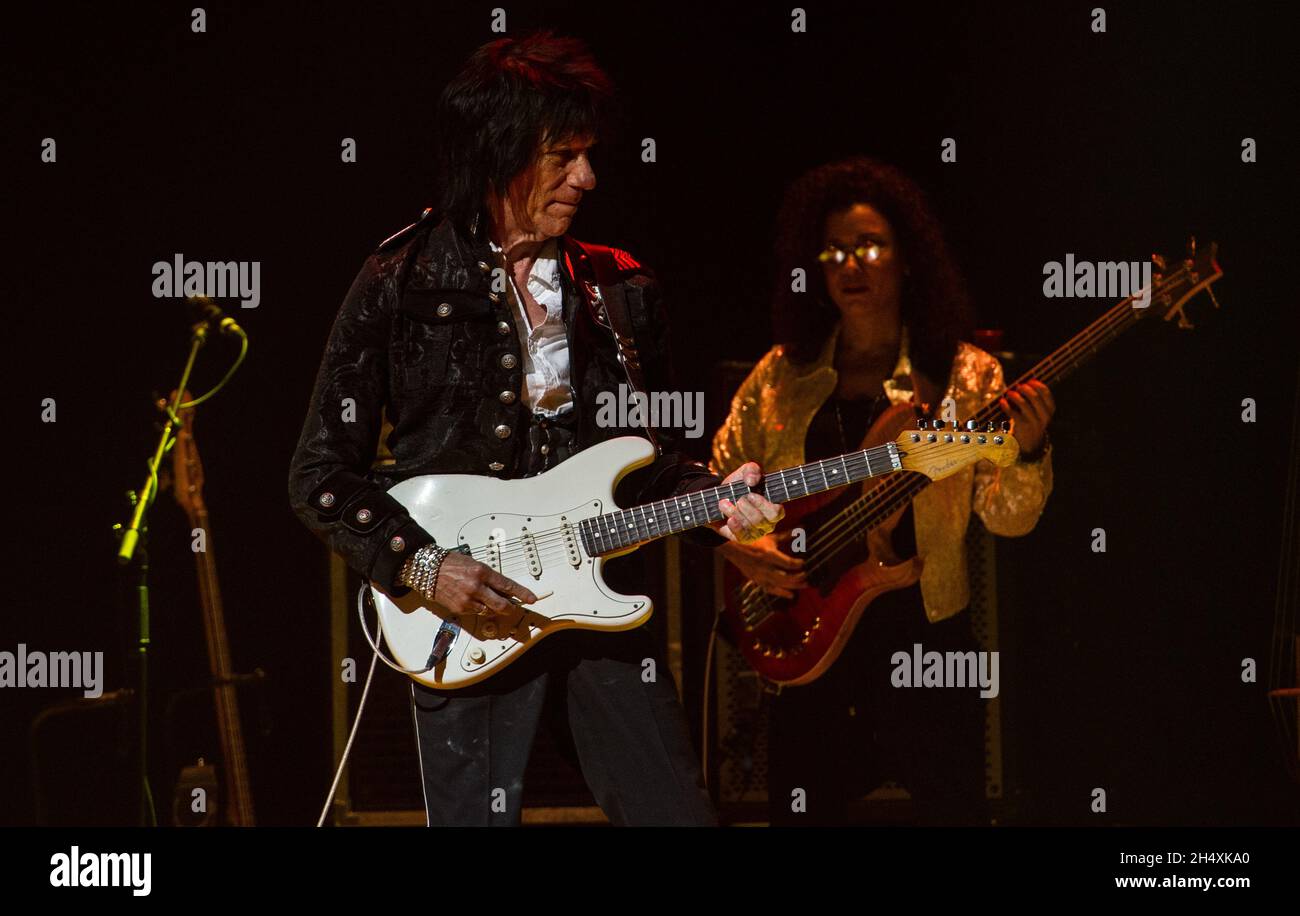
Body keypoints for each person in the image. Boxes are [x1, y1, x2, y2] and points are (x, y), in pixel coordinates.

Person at [287, 31, 782, 827]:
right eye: (563, 155)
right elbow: (319, 476)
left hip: (601, 601)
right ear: (497, 150)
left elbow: (647, 464)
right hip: (470, 612)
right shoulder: (402, 280)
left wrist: (712, 501)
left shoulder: (620, 289)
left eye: (589, 154)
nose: (587, 177)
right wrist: (425, 569)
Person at [710, 156, 1055, 826]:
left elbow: (1008, 521)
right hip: (808, 637)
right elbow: (723, 484)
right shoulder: (783, 375)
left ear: (908, 259)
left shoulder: (961, 377)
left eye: (870, 246)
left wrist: (1029, 452)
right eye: (834, 250)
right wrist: (753, 550)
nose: (851, 265)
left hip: (922, 638)